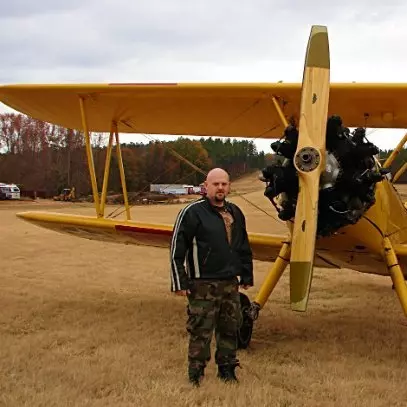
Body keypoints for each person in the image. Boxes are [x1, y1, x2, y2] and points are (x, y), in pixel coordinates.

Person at [170, 168, 253, 386]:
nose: (220, 188)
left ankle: (227, 370)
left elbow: (243, 246)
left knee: (230, 328)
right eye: (215, 184)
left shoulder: (235, 212)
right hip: (202, 283)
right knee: (201, 330)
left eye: (224, 184)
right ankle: (195, 374)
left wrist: (245, 274)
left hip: (229, 283)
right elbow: (176, 250)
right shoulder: (192, 212)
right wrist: (179, 281)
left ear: (229, 186)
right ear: (205, 186)